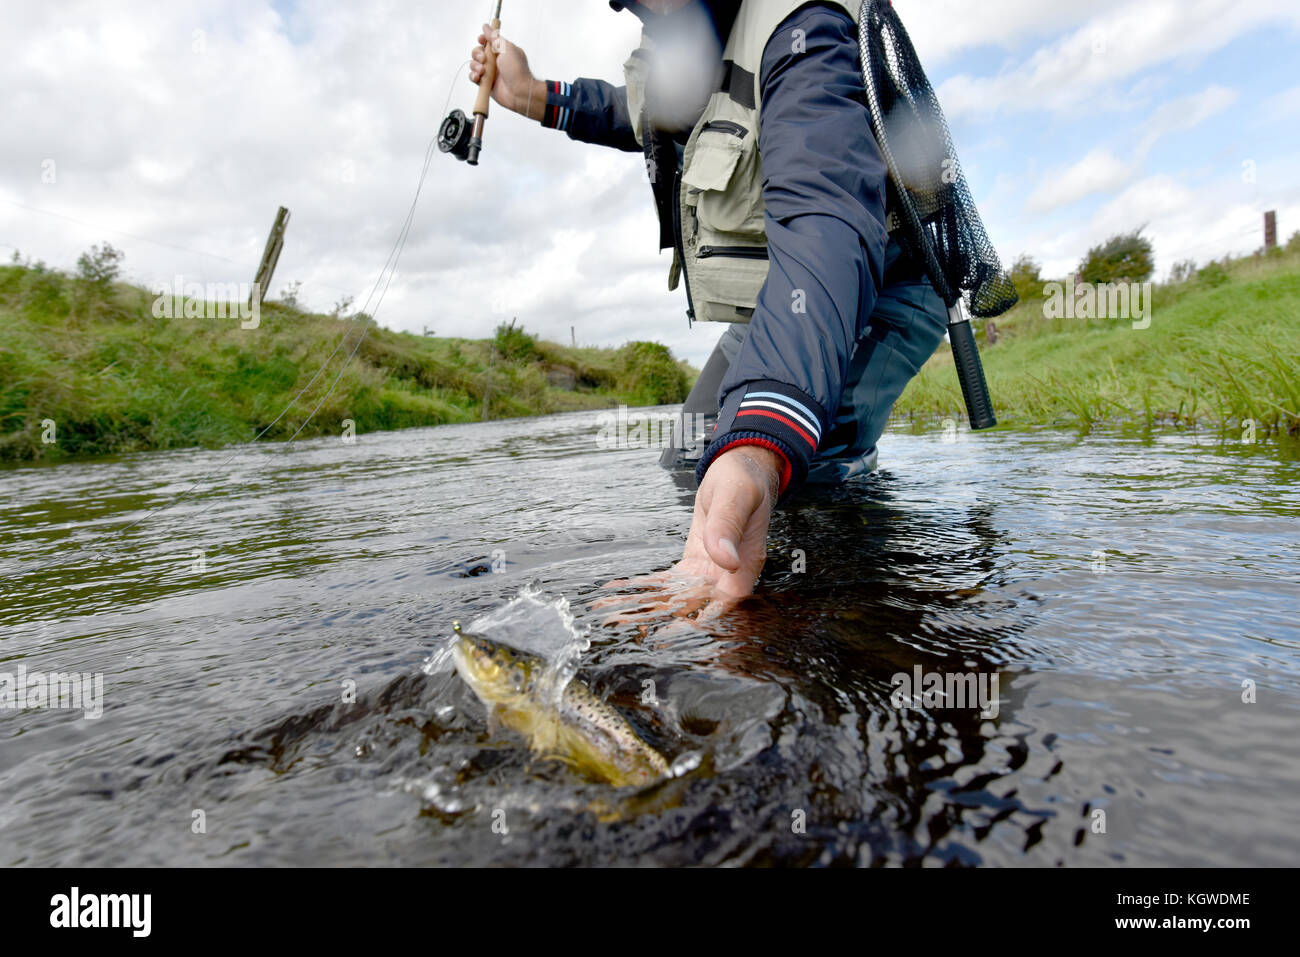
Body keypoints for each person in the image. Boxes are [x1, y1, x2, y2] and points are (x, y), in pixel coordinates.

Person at [469, 0, 949, 599]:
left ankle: (860, 618)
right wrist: (535, 94)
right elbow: (642, 111)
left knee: (800, 473)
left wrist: (758, 447)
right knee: (690, 459)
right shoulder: (686, 37)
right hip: (774, 295)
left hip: (879, 284)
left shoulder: (805, 27)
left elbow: (827, 222)